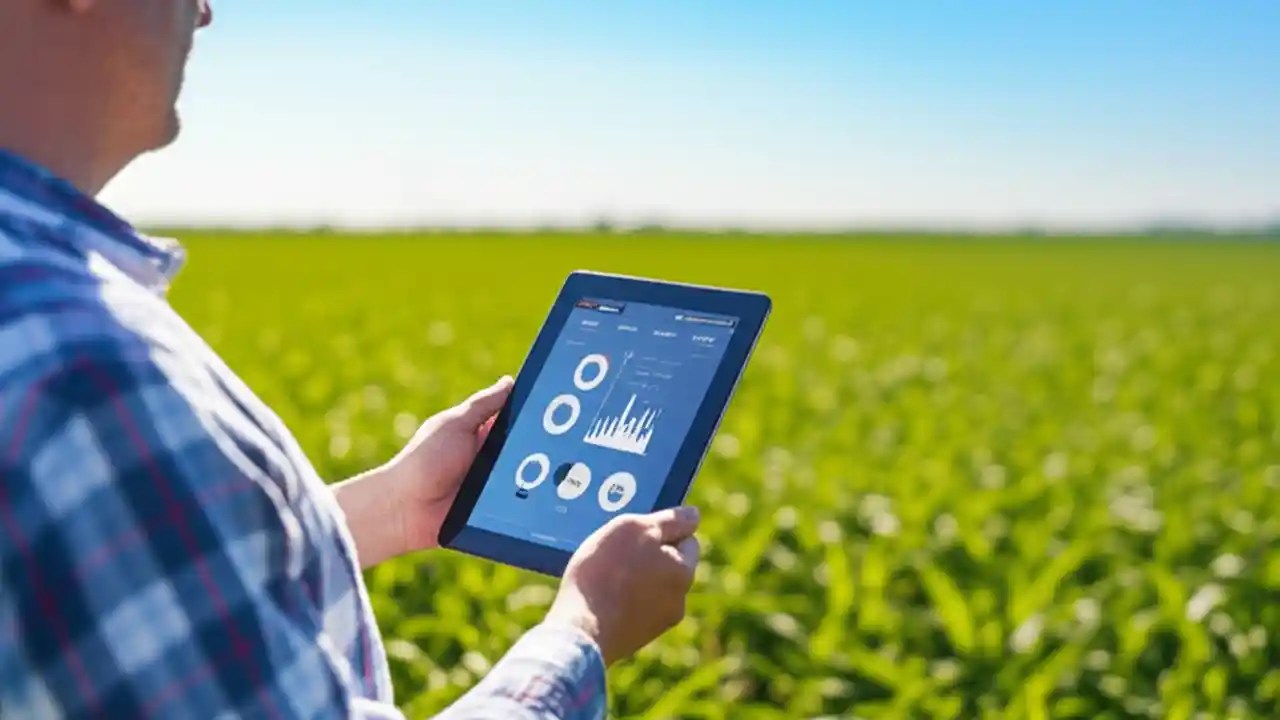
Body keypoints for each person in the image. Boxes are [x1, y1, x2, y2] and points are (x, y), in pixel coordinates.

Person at [0, 2, 702, 718]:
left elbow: (129, 583)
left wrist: (393, 507)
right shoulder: (80, 372)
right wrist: (584, 631)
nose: (205, 12)